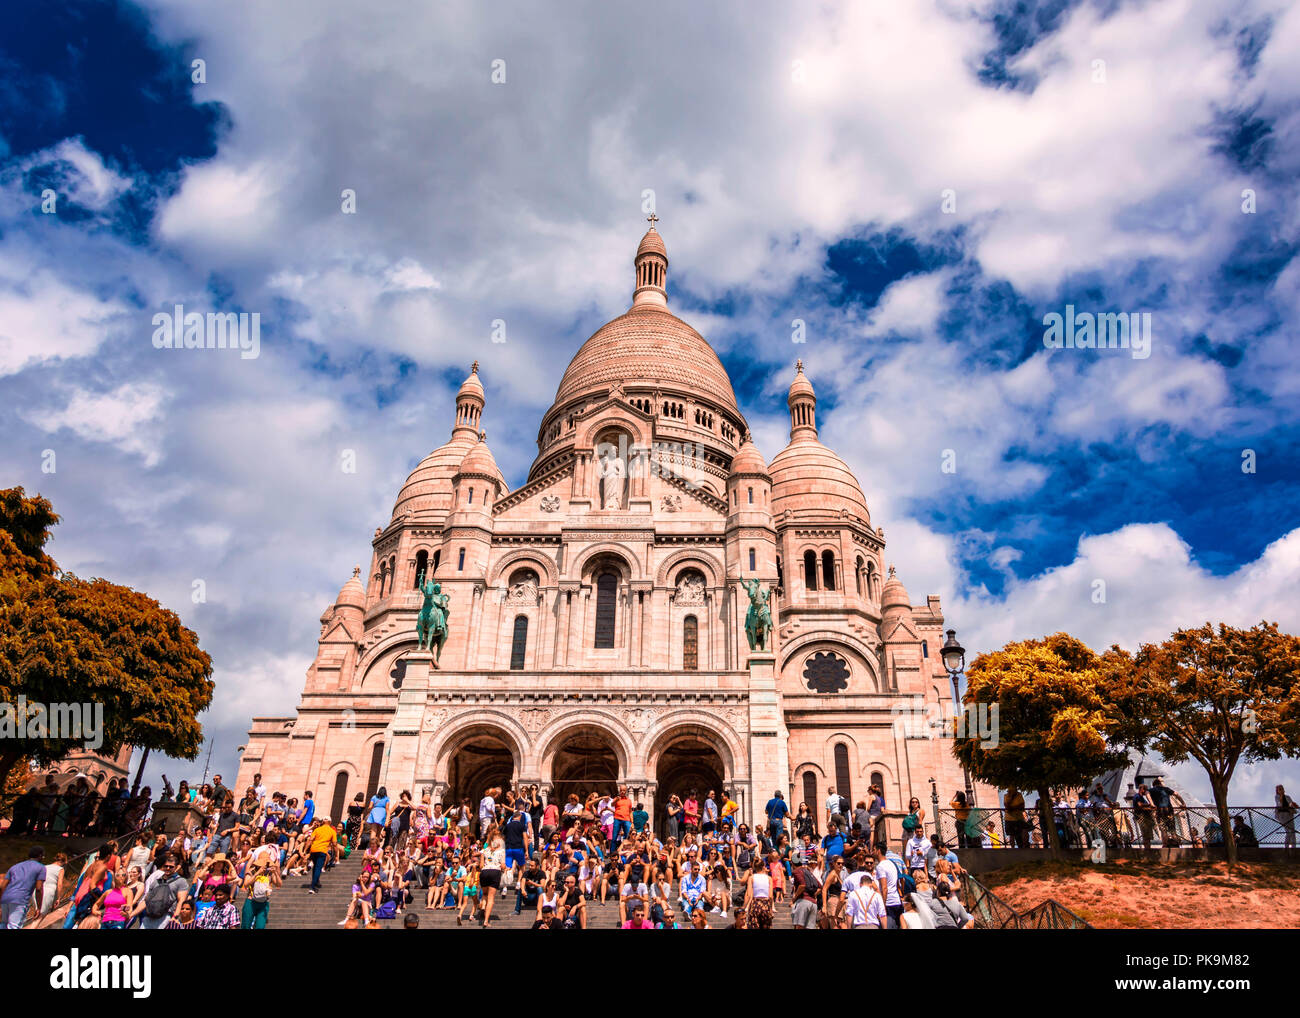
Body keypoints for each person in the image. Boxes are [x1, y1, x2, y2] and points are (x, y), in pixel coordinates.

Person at [0, 846, 47, 929]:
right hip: (20, 899)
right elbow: (39, 888)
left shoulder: (15, 866)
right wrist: (38, 908)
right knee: (14, 926)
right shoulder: (41, 868)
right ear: (40, 856)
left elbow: (3, 886)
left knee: (4, 924)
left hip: (5, 898)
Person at [306, 815, 338, 893]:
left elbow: (310, 840)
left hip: (313, 850)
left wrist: (305, 850)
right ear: (330, 822)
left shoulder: (317, 830)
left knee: (315, 867)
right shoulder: (332, 831)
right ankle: (312, 887)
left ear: (323, 821)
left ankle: (315, 882)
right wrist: (336, 855)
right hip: (322, 851)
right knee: (318, 868)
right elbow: (334, 844)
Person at [1277, 785, 1297, 850]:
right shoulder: (1277, 797)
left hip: (1289, 815)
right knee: (1288, 831)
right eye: (1280, 789)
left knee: (1292, 831)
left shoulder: (1288, 797)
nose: (1281, 790)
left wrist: (1293, 804)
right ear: (1277, 791)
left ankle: (1293, 847)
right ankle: (1287, 846)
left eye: (1282, 789)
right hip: (1283, 816)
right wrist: (1281, 795)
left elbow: (1291, 804)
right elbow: (1280, 803)